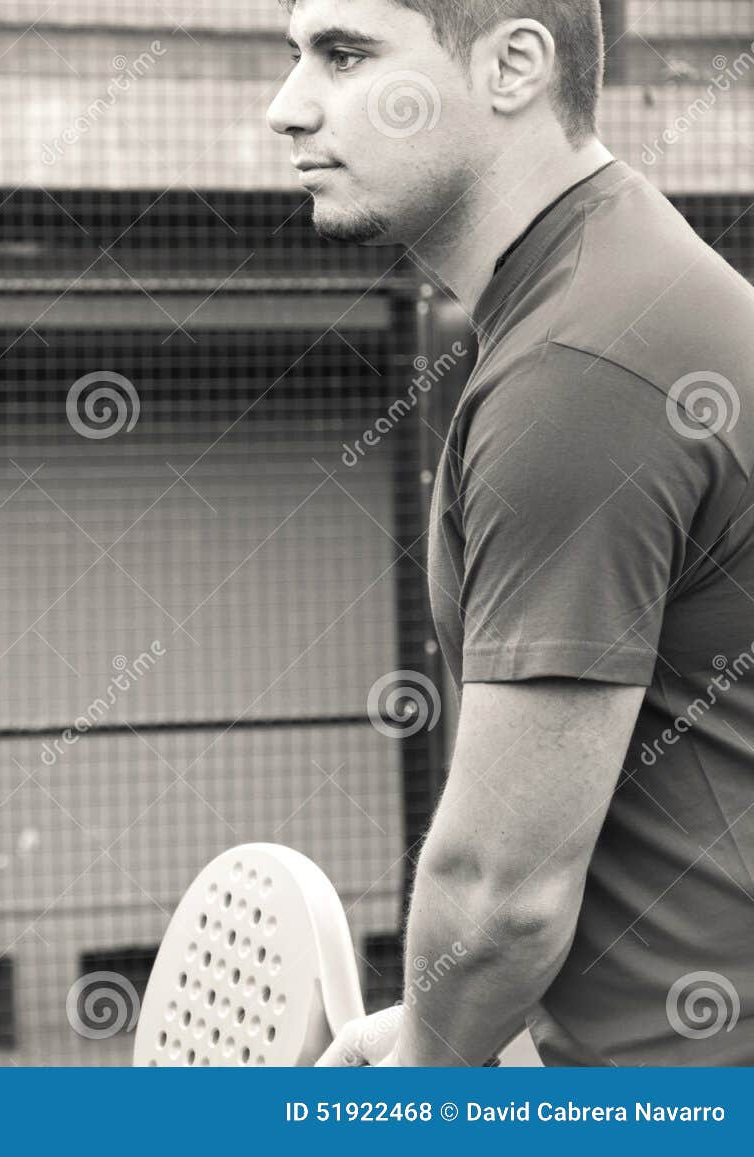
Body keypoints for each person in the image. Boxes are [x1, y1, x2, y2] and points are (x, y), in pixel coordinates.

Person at [270, 0, 754, 1064]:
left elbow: (503, 896)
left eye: (345, 56)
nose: (287, 107)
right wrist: (441, 1026)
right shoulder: (618, 281)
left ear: (513, 66)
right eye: (295, 56)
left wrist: (420, 1083)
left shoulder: (580, 368)